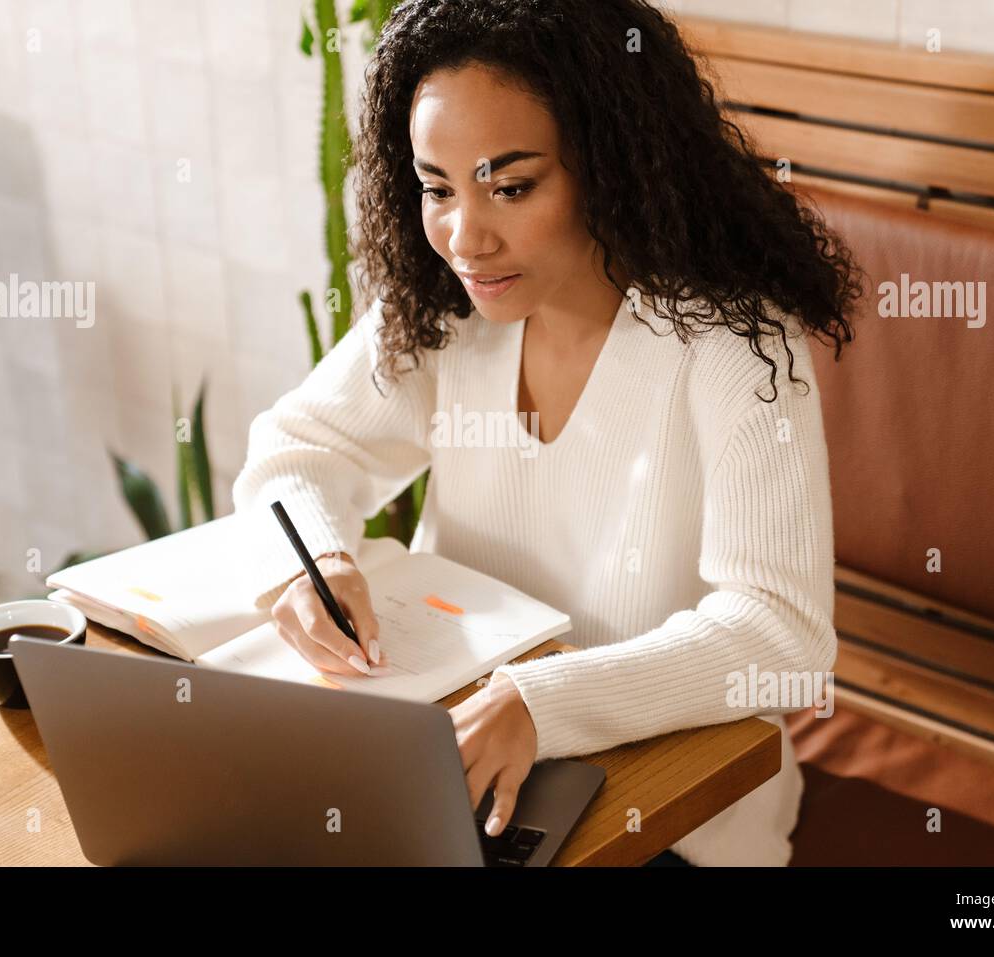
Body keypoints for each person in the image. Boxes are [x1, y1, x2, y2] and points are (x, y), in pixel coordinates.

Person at [232, 0, 861, 866]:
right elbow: (294, 450)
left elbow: (782, 635)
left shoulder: (732, 347)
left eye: (511, 187)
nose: (464, 236)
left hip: (675, 812)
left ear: (611, 165)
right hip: (457, 763)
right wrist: (318, 563)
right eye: (437, 188)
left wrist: (540, 701)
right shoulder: (449, 307)